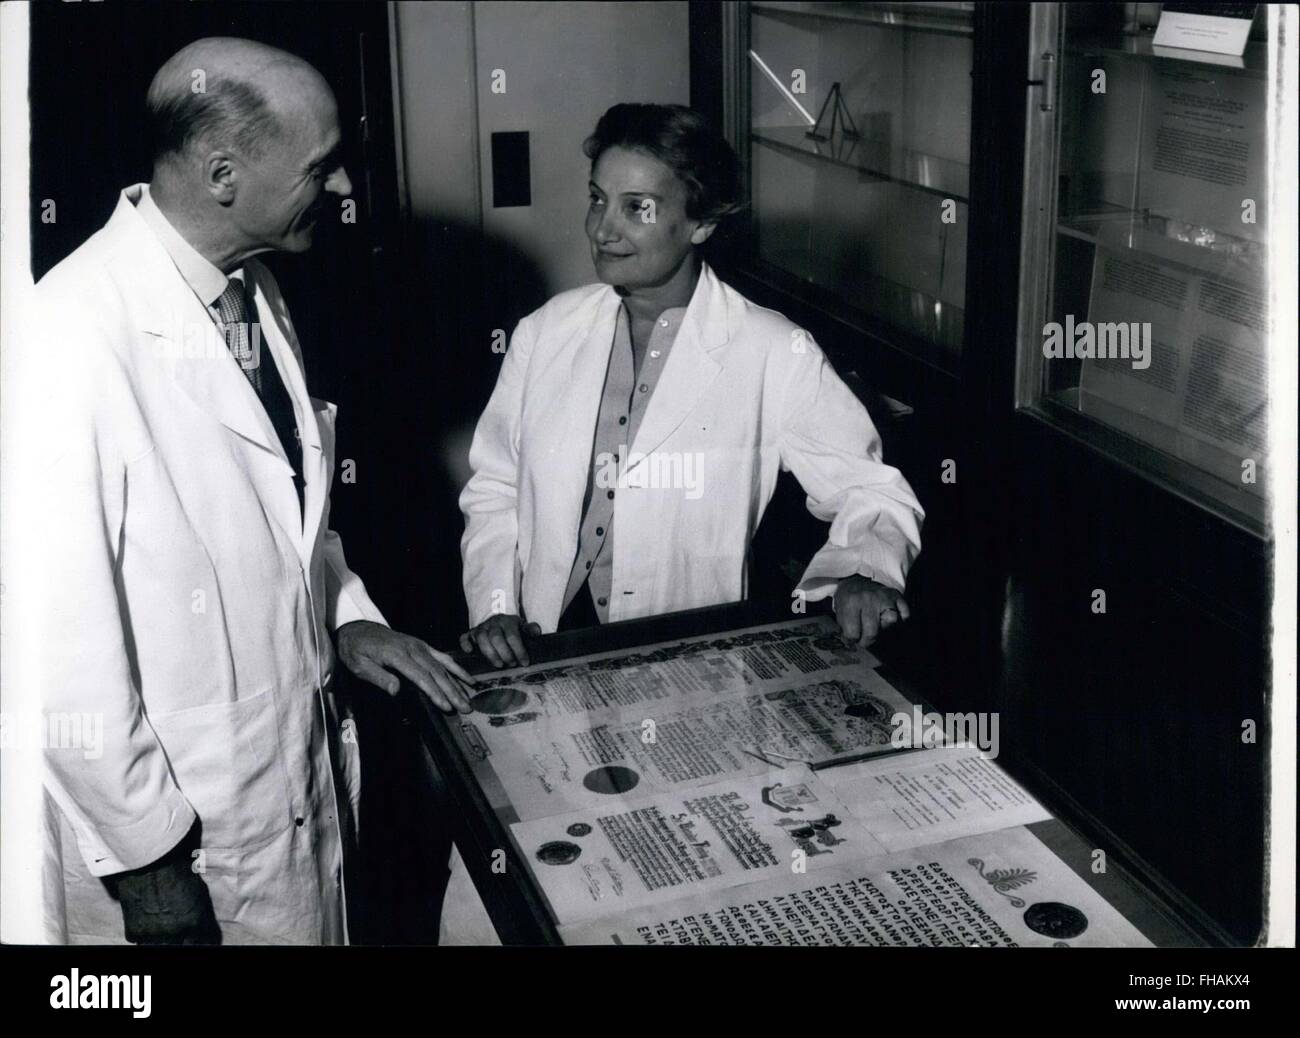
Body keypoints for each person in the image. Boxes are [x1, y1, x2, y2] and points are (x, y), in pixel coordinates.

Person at [18, 37, 473, 945]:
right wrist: (147, 864)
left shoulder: (252, 291)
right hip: (174, 847)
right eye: (323, 166)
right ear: (224, 173)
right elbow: (50, 649)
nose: (343, 189)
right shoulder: (67, 336)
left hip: (287, 789)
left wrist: (344, 615)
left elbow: (288, 517)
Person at [442, 103, 924, 943]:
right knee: (519, 890)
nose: (604, 228)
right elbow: (496, 487)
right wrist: (493, 600)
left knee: (668, 888)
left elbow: (873, 488)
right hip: (547, 647)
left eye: (639, 207)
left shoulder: (771, 350)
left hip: (688, 666)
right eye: (598, 199)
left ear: (700, 221)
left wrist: (863, 566)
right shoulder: (545, 334)